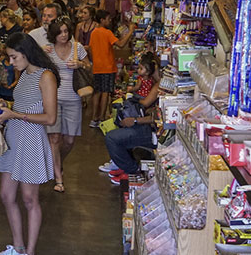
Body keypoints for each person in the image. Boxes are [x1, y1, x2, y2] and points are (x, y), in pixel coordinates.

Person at [0, 33, 59, 255]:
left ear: (27, 53)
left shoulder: (46, 76)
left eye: (14, 57)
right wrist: (3, 106)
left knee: (29, 198)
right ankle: (18, 248)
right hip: (15, 137)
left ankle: (30, 254)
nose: (11, 62)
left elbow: (50, 118)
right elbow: (23, 106)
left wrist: (13, 114)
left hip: (30, 139)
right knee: (6, 195)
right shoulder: (24, 75)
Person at [101, 52, 162, 182]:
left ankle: (131, 170)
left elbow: (154, 113)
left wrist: (135, 119)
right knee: (117, 126)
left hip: (151, 130)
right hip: (149, 126)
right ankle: (121, 164)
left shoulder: (158, 85)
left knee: (112, 137)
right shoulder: (155, 83)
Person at [44, 19, 89, 193]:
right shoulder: (48, 49)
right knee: (54, 138)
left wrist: (80, 65)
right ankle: (58, 177)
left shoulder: (77, 48)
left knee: (69, 139)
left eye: (66, 31)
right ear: (53, 34)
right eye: (60, 32)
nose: (63, 35)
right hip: (52, 98)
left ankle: (57, 162)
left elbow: (89, 67)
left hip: (73, 98)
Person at [87, 10, 119, 128]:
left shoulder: (94, 32)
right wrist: (130, 31)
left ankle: (94, 118)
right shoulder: (108, 32)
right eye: (108, 19)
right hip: (108, 67)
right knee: (105, 92)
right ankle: (101, 118)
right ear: (102, 20)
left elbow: (90, 48)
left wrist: (95, 59)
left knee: (97, 92)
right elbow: (119, 44)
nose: (109, 21)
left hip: (97, 67)